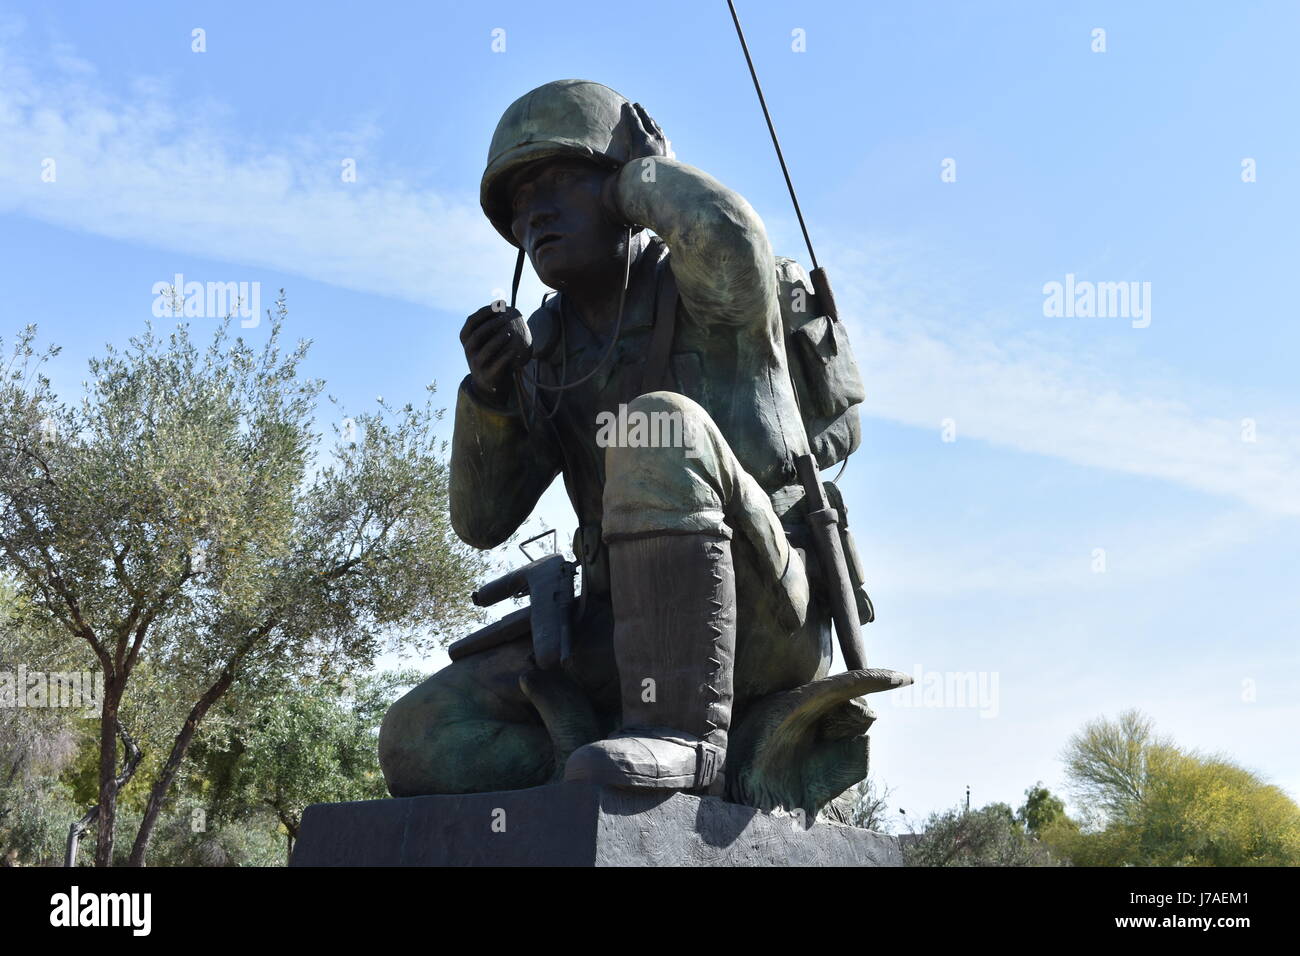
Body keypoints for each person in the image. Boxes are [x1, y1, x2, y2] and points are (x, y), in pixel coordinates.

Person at [379, 79, 834, 797]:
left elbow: (729, 238)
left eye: (561, 182)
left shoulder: (707, 294)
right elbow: (481, 522)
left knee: (655, 423)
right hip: (620, 629)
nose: (536, 215)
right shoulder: (547, 349)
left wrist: (649, 173)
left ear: (623, 191)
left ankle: (690, 738)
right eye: (518, 205)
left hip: (766, 613)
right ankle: (586, 768)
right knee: (419, 738)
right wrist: (492, 398)